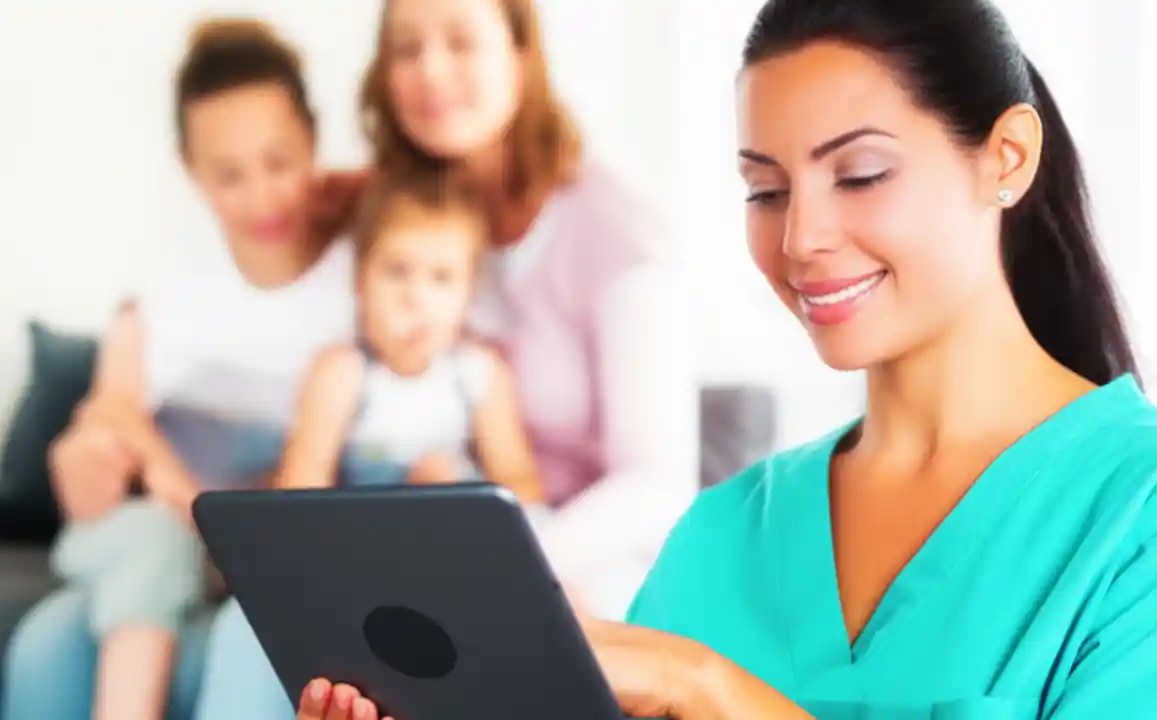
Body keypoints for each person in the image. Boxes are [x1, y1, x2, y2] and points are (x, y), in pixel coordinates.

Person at [292, 0, 1157, 718]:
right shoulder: (720, 537)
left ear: (1004, 159)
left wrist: (713, 692)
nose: (801, 236)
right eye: (764, 190)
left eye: (858, 174)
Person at [192, 0, 695, 716]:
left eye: (460, 40)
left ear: (521, 52)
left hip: (577, 550)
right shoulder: (400, 217)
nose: (429, 70)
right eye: (405, 48)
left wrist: (503, 568)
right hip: (417, 546)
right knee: (241, 639)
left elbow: (655, 484)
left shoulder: (620, 235)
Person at [0, 19, 354, 720]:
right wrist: (112, 457)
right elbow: (103, 435)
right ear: (191, 170)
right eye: (228, 175)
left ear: (314, 140)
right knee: (51, 639)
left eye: (279, 161)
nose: (260, 196)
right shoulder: (167, 300)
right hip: (172, 551)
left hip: (290, 561)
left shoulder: (366, 274)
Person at [278, 176, 542, 504]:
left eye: (442, 278)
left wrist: (460, 491)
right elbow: (299, 487)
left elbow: (522, 485)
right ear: (360, 281)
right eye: (397, 271)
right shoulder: (341, 373)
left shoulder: (480, 372)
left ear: (469, 296)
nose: (416, 298)